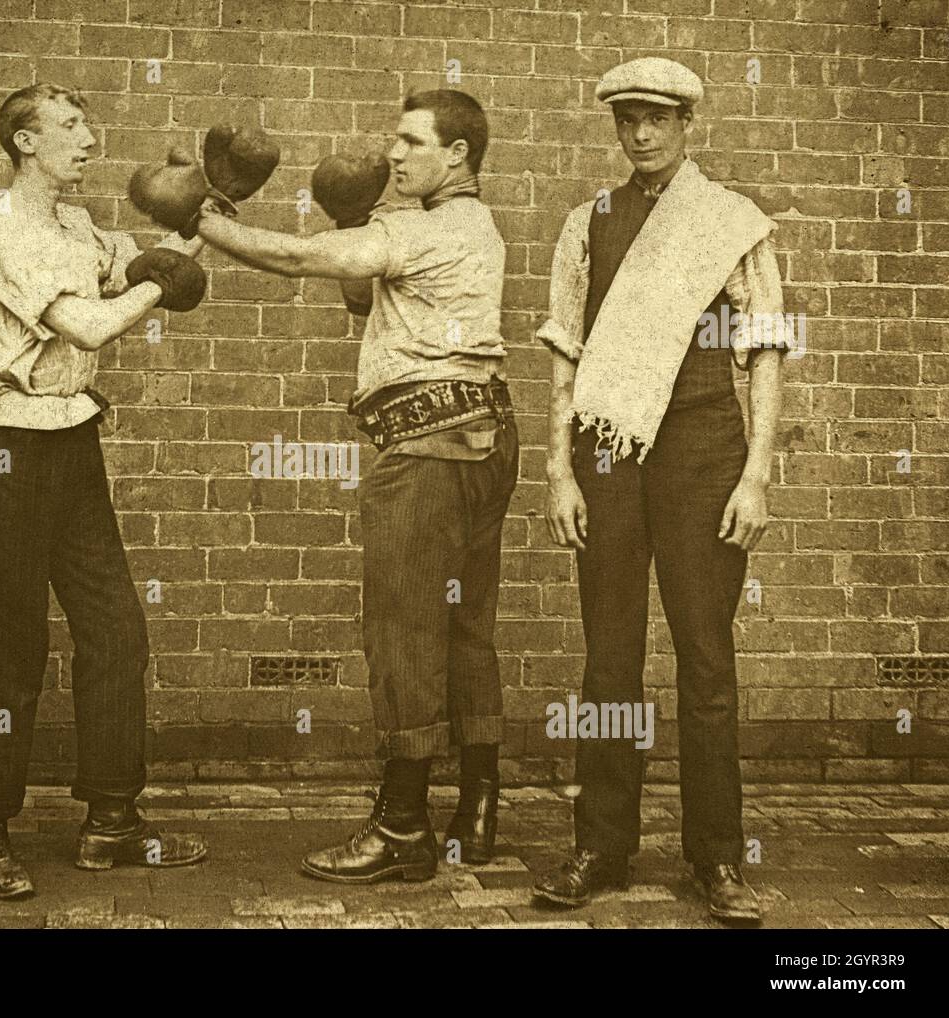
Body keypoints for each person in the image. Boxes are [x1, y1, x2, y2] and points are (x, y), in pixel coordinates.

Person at [132, 89, 517, 883]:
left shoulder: (430, 227)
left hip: (426, 449)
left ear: (459, 156)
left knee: (404, 630)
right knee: (464, 626)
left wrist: (201, 219)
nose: (395, 154)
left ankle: (404, 827)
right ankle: (478, 807)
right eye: (395, 138)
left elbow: (302, 262)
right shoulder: (465, 228)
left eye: (413, 142)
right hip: (482, 433)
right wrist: (350, 222)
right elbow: (359, 296)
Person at [531, 58, 793, 924]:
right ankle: (602, 846)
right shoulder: (588, 221)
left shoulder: (729, 222)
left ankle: (717, 858)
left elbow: (762, 350)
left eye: (658, 119)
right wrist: (559, 465)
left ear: (687, 124)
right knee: (609, 657)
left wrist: (755, 475)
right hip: (607, 450)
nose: (641, 134)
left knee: (706, 658)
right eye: (628, 120)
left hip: (705, 447)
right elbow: (566, 348)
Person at [0, 84, 215, 898]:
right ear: (24, 143)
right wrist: (163, 281)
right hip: (8, 450)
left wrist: (208, 202)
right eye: (70, 126)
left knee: (116, 629)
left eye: (89, 124)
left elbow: (152, 259)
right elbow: (95, 326)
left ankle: (112, 818)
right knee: (14, 645)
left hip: (72, 441)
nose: (90, 138)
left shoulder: (75, 227)